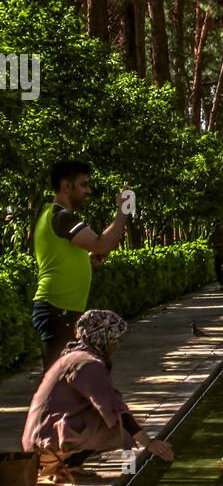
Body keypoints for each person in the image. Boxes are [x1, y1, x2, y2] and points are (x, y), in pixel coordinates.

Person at [22, 309, 173, 483]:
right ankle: (67, 465)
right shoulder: (88, 363)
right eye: (116, 339)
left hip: (40, 438)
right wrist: (150, 443)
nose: (119, 344)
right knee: (118, 425)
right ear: (104, 338)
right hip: (46, 443)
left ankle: (67, 466)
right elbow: (114, 407)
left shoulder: (75, 356)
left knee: (113, 420)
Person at [32, 159, 133, 372]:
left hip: (61, 309)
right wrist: (123, 210)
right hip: (57, 309)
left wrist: (86, 260)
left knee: (66, 379)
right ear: (66, 186)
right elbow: (101, 244)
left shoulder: (52, 215)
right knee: (58, 382)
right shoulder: (62, 217)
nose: (89, 190)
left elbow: (60, 256)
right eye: (84, 184)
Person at [208, 219, 223, 290]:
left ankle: (222, 284)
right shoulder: (213, 234)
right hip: (217, 254)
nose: (217, 227)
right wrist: (216, 245)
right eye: (216, 226)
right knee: (217, 269)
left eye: (219, 225)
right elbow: (208, 244)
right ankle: (221, 282)